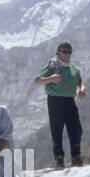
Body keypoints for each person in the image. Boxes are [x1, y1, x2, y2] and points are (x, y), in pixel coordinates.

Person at [34, 41, 85, 169]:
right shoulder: (52, 66)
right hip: (55, 101)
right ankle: (59, 158)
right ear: (58, 52)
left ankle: (76, 156)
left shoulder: (73, 68)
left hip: (69, 100)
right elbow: (37, 81)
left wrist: (82, 89)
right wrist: (51, 78)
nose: (67, 54)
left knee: (76, 129)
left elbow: (80, 80)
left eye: (69, 52)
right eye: (64, 52)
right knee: (57, 130)